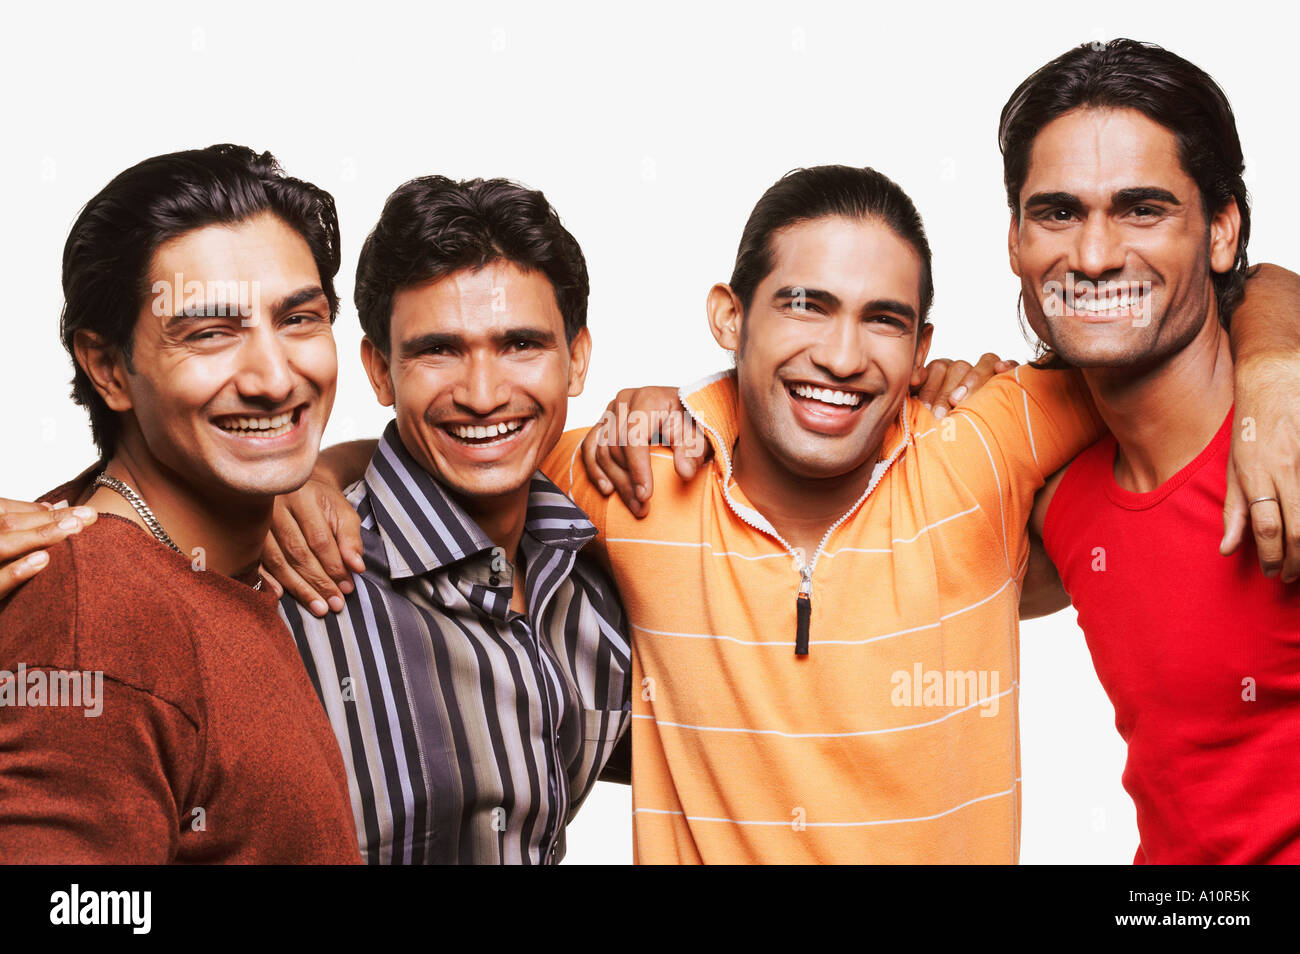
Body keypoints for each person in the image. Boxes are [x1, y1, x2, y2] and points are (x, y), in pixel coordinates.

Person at [0, 144, 360, 863]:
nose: (273, 377)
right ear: (108, 369)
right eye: (210, 334)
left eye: (299, 319)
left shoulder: (208, 566)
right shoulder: (97, 610)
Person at [1000, 39, 1300, 862]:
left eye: (1143, 209)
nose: (1093, 258)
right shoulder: (1055, 499)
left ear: (1221, 231)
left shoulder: (1288, 441)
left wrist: (1277, 359)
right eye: (1058, 212)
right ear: (1016, 241)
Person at [276, 175, 632, 864]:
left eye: (520, 344)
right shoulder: (294, 576)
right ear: (380, 371)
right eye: (439, 349)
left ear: (577, 358)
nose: (482, 394)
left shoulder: (597, 574)